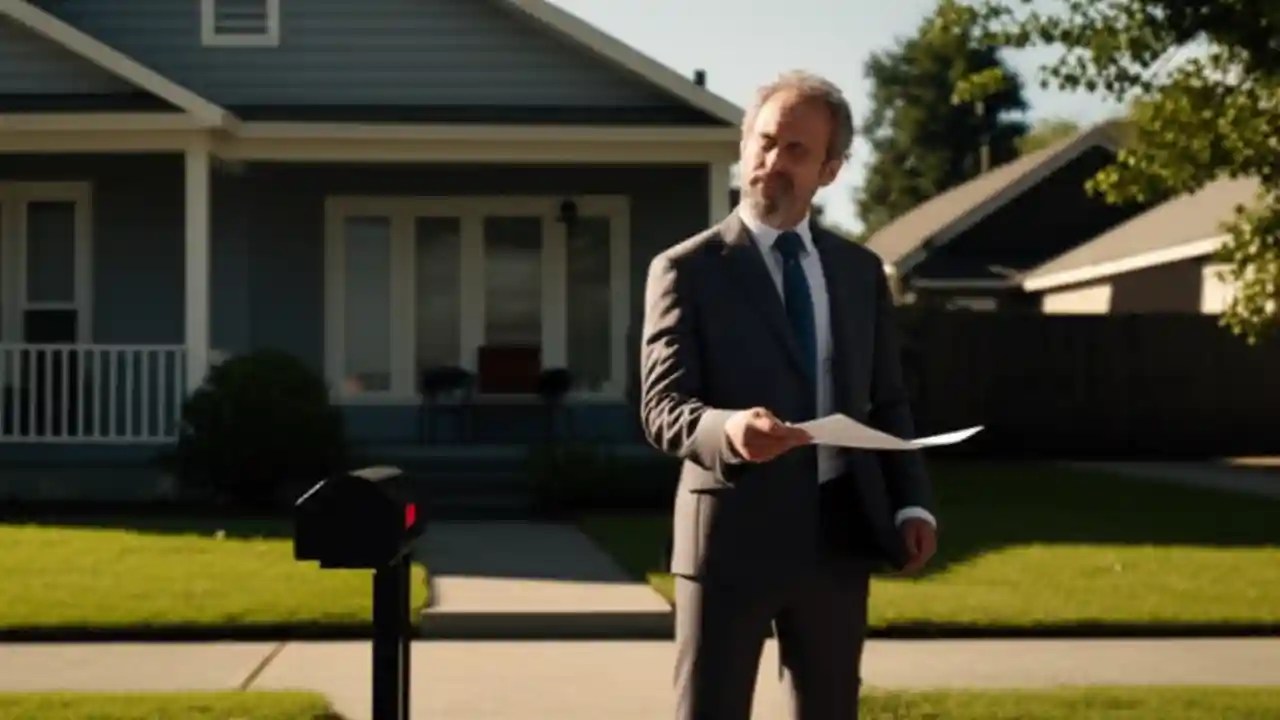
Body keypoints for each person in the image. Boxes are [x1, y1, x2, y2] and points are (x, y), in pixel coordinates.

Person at [638, 70, 939, 719]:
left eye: (796, 151)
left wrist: (912, 505)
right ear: (744, 144)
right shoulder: (686, 269)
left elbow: (888, 401)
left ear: (830, 169)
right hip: (729, 542)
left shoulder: (858, 273)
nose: (773, 162)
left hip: (838, 539)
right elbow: (664, 409)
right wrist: (729, 431)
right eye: (765, 142)